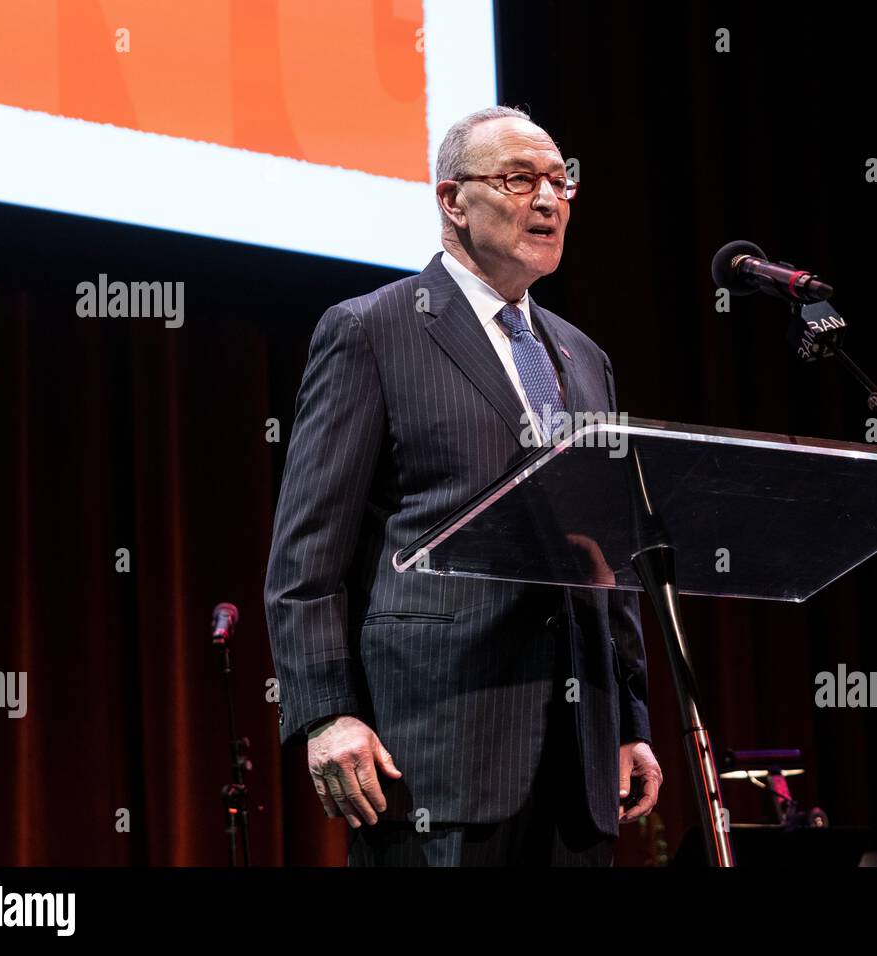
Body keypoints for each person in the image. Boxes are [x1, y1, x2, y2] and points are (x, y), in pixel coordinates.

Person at [264, 106, 661, 866]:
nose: (549, 200)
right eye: (519, 180)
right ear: (452, 200)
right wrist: (326, 715)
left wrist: (630, 718)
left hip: (577, 761)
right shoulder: (372, 331)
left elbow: (606, 554)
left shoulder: (584, 357)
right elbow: (305, 558)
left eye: (560, 180)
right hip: (433, 752)